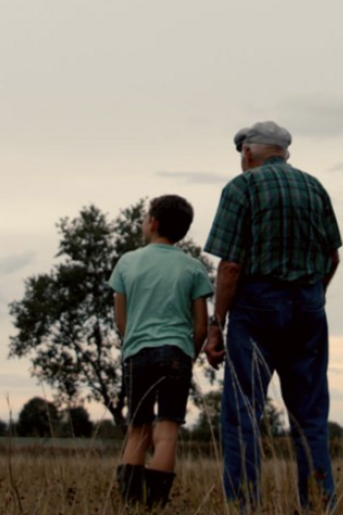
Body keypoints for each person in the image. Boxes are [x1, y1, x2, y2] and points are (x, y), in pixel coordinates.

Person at [204, 121, 342, 511]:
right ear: (284, 153)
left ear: (248, 152)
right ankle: (318, 504)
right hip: (308, 305)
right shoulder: (315, 188)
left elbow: (230, 267)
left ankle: (245, 505)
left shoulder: (241, 187)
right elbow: (333, 257)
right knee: (310, 415)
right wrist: (315, 298)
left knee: (243, 413)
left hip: (257, 306)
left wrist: (217, 325)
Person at [109, 195, 213, 508]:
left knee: (137, 430)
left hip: (137, 353)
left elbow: (120, 318)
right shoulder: (193, 267)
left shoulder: (127, 262)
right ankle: (154, 505)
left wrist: (133, 343)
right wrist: (188, 354)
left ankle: (130, 505)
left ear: (152, 223)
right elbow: (201, 326)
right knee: (167, 430)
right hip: (176, 354)